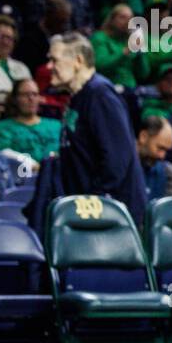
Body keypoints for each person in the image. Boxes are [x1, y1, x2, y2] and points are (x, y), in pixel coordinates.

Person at [46, 33, 147, 226]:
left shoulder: (100, 95)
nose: (49, 67)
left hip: (111, 216)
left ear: (78, 60)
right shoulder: (79, 97)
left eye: (54, 60)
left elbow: (117, 158)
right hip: (91, 211)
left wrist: (96, 199)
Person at [0, 78, 62, 167]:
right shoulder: (1, 129)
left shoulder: (56, 126)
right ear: (15, 99)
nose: (31, 98)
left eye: (35, 94)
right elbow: (0, 157)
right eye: (25, 94)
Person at [136, 115, 172, 202]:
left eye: (166, 150)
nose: (162, 156)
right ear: (143, 137)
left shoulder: (162, 171)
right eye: (160, 148)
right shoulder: (121, 165)